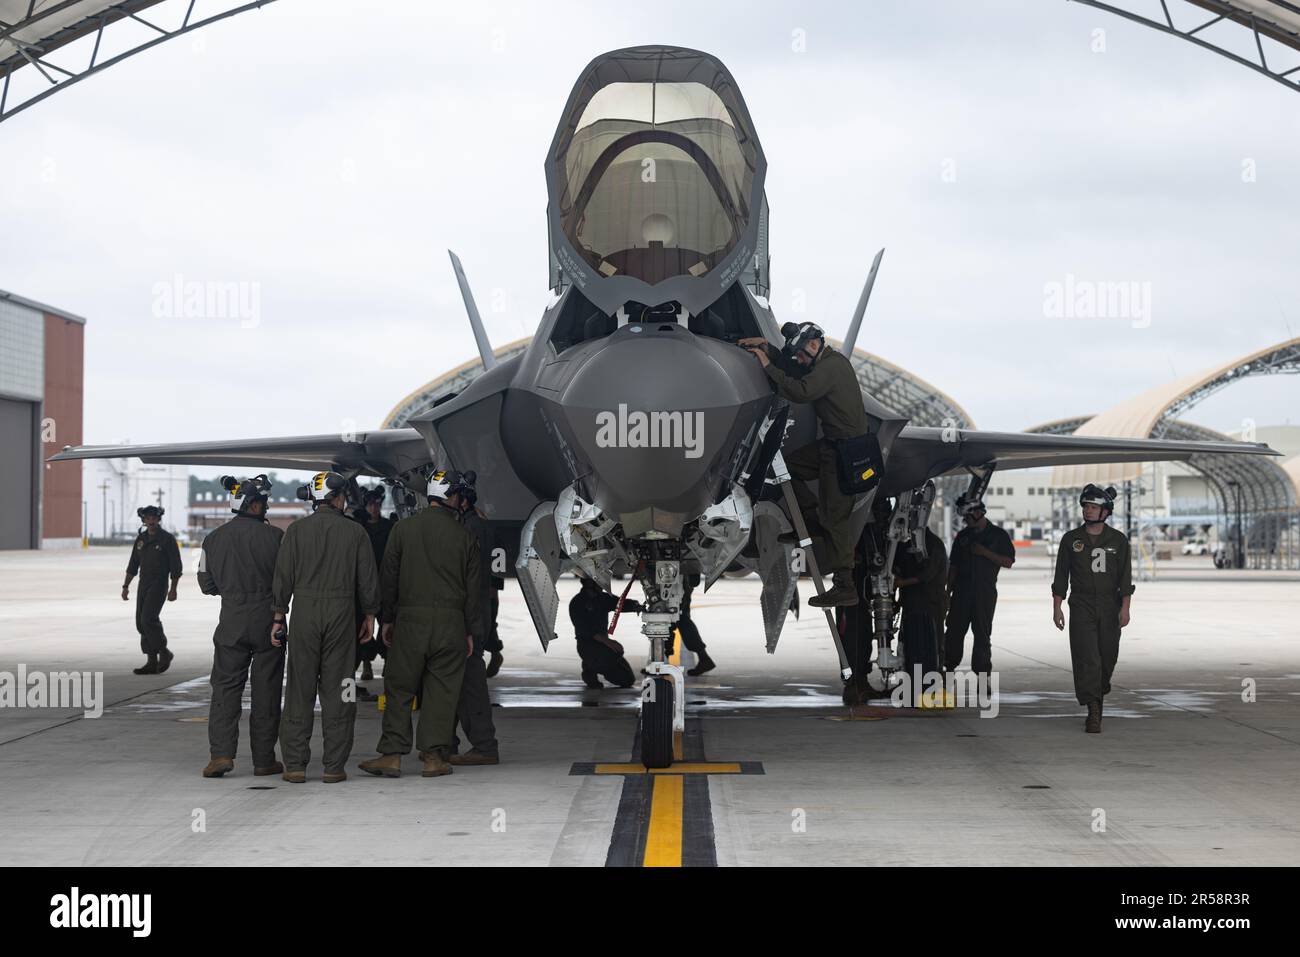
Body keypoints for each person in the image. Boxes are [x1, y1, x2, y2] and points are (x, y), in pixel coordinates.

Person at [359, 470, 482, 779]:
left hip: (409, 621)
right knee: (442, 691)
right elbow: (474, 591)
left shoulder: (402, 529)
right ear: (452, 496)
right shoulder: (464, 536)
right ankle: (433, 757)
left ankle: (391, 755)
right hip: (451, 624)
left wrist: (387, 618)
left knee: (400, 687)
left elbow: (389, 578)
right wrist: (469, 631)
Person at [740, 322, 872, 607]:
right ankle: (812, 523)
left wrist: (766, 365)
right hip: (832, 447)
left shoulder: (831, 367)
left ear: (813, 345)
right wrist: (770, 350)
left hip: (845, 453)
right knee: (789, 468)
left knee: (835, 517)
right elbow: (798, 370)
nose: (799, 359)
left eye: (800, 353)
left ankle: (844, 585)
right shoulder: (822, 362)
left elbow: (799, 391)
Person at [271, 472, 380, 784]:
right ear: (337, 497)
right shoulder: (356, 532)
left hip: (304, 613)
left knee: (299, 690)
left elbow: (283, 577)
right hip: (342, 614)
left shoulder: (295, 531)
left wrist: (279, 617)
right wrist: (370, 615)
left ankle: (294, 765)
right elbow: (367, 579)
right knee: (341, 689)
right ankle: (334, 766)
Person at [197, 475, 284, 778]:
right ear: (254, 504)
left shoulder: (213, 539)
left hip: (231, 622)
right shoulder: (276, 538)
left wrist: (233, 591)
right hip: (268, 621)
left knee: (225, 688)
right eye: (264, 503)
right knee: (267, 691)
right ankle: (263, 760)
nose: (267, 507)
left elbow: (206, 584)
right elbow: (287, 582)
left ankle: (220, 754)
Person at [1052, 484, 1134, 734]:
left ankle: (1099, 691)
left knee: (1107, 657)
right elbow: (1060, 576)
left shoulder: (1118, 540)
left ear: (1105, 511)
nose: (1088, 511)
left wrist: (1125, 609)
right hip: (1082, 605)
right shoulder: (1071, 539)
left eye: (1094, 507)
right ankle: (1094, 710)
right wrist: (1057, 608)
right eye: (1086, 506)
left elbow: (1125, 577)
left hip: (1110, 605)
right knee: (1087, 657)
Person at [447, 473, 500, 766]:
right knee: (461, 678)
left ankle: (483, 745)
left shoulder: (472, 528)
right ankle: (452, 742)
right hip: (474, 611)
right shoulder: (474, 524)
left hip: (471, 614)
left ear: (463, 500)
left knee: (470, 680)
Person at [942, 498, 1015, 683]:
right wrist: (947, 592)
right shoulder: (963, 536)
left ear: (976, 513)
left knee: (982, 635)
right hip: (961, 593)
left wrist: (985, 553)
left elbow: (1008, 562)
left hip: (985, 593)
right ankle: (948, 670)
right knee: (954, 633)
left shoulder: (998, 536)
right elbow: (954, 566)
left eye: (967, 517)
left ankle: (983, 678)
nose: (966, 521)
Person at [122, 504, 182, 675]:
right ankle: (151, 660)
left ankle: (164, 652)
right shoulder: (141, 539)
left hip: (159, 583)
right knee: (141, 622)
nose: (151, 521)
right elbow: (133, 564)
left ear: (159, 519)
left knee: (149, 618)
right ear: (143, 520)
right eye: (148, 518)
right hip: (144, 583)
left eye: (154, 518)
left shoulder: (167, 539)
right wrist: (125, 586)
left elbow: (176, 566)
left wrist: (173, 589)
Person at [894, 526, 948, 705]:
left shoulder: (934, 545)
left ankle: (931, 689)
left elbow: (928, 575)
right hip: (912, 604)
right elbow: (896, 566)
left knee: (932, 646)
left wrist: (902, 583)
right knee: (910, 646)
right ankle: (912, 688)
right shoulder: (905, 544)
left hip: (931, 605)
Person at [351, 486, 394, 693]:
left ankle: (387, 662)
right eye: (370, 504)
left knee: (387, 625)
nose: (374, 508)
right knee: (362, 629)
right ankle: (366, 664)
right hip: (364, 585)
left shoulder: (389, 527)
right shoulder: (359, 528)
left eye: (377, 504)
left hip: (384, 583)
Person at [570, 576, 642, 688]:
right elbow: (587, 631)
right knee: (622, 677)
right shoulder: (577, 603)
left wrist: (635, 606)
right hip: (587, 646)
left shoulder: (601, 598)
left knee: (628, 679)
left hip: (602, 644)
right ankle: (589, 670)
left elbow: (618, 603)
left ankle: (591, 664)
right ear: (591, 584)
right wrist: (609, 642)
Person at [667, 573, 715, 676]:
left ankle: (662, 660)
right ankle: (704, 658)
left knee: (674, 616)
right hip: (681, 574)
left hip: (677, 576)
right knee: (678, 616)